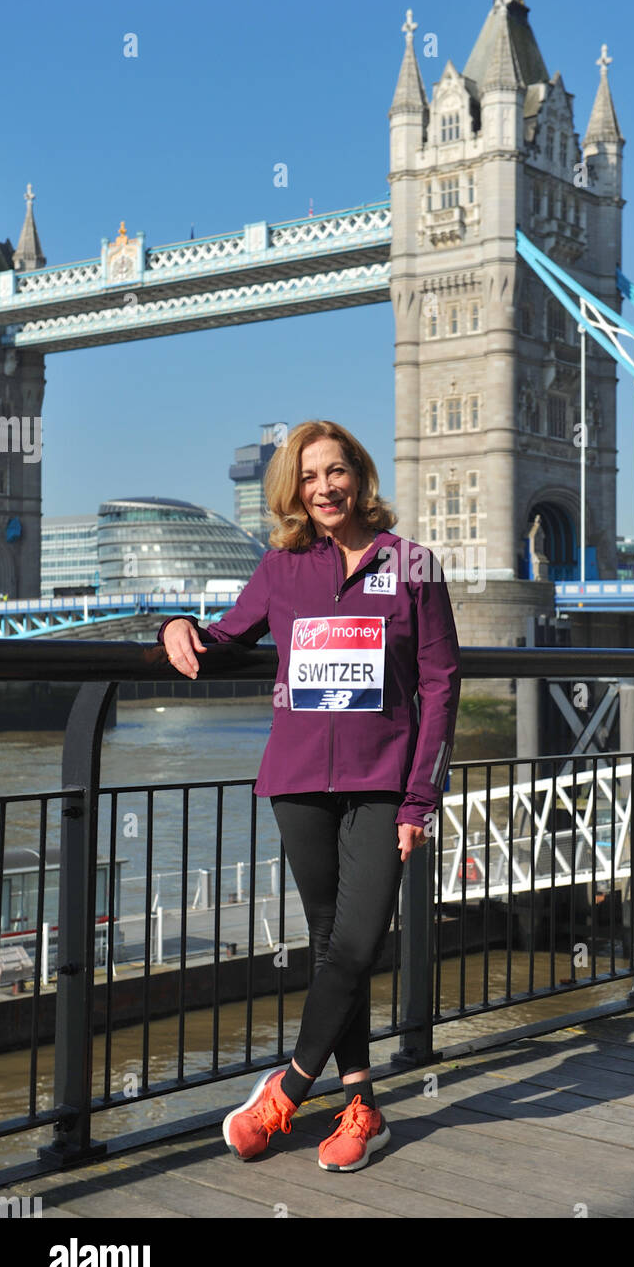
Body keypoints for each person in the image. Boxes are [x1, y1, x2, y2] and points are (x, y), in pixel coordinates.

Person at [158, 419, 460, 1171]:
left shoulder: (413, 565)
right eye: (308, 476)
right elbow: (228, 638)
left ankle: (286, 1092)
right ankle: (361, 1106)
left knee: (358, 940)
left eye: (336, 471)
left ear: (359, 475)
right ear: (293, 489)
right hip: (298, 782)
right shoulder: (281, 566)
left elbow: (441, 683)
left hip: (384, 783)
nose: (324, 488)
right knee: (332, 946)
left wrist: (421, 797)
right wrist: (177, 625)